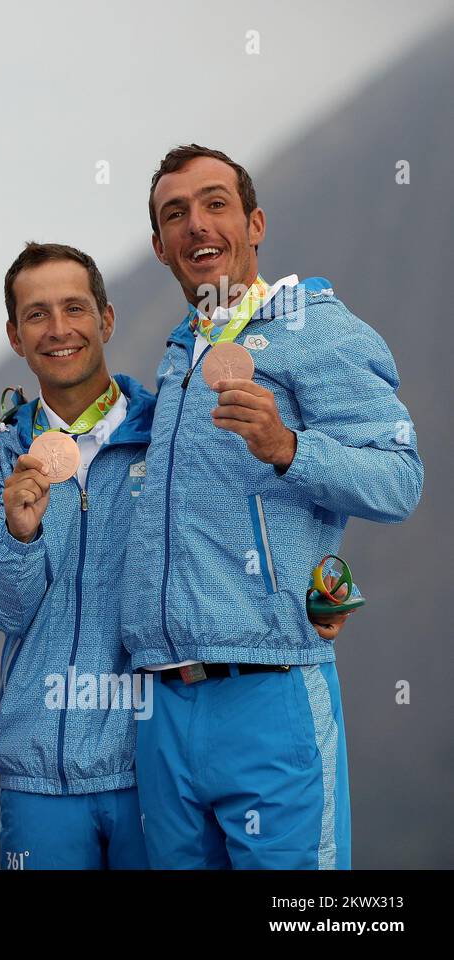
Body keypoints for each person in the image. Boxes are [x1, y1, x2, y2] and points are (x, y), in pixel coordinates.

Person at [122, 144, 424, 868]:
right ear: (160, 246)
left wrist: (290, 446)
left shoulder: (315, 330)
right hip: (164, 705)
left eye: (216, 204)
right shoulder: (178, 354)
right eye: (176, 214)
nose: (198, 225)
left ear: (255, 223)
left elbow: (400, 478)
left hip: (272, 692)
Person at [0, 242, 153, 870]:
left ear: (106, 319)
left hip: (151, 766)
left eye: (74, 308)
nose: (58, 330)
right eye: (36, 315)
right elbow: (0, 611)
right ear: (14, 335)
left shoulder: (165, 438)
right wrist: (19, 535)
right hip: (37, 773)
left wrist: (316, 600)